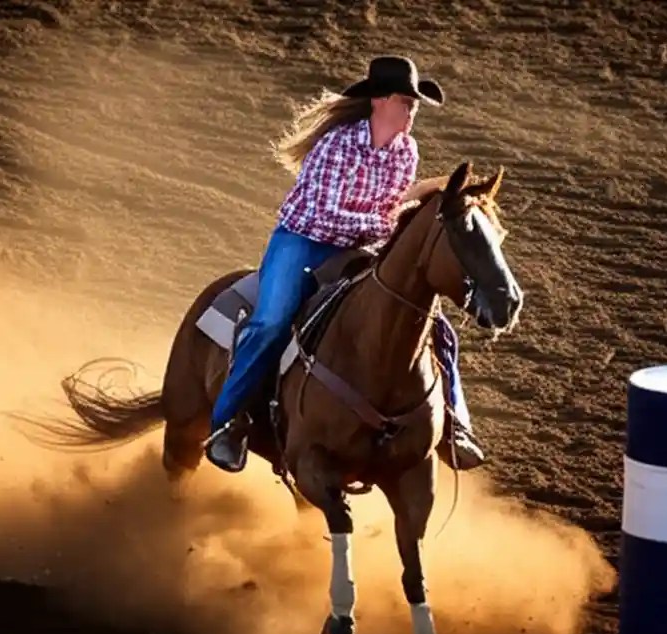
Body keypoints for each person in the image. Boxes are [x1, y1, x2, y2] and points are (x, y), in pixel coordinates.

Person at [204, 55, 485, 474]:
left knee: (435, 326)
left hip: (357, 245)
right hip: (303, 240)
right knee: (272, 321)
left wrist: (408, 207)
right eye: (406, 101)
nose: (413, 111)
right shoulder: (337, 144)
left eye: (415, 104)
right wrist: (395, 219)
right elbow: (330, 214)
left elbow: (384, 204)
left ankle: (455, 427)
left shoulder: (406, 150)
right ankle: (228, 424)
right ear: (380, 102)